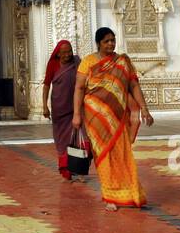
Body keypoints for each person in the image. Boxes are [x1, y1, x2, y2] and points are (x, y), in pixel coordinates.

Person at [73, 26, 154, 210]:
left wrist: (144, 109)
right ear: (98, 43)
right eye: (106, 41)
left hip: (118, 116)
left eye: (112, 40)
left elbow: (134, 86)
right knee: (103, 155)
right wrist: (77, 114)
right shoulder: (88, 61)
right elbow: (79, 88)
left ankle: (131, 193)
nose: (110, 44)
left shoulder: (123, 62)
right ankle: (109, 195)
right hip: (95, 117)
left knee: (123, 154)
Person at [41, 39, 81, 181]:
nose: (67, 55)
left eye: (69, 51)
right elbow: (46, 85)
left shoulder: (77, 62)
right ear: (58, 54)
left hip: (75, 106)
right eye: (64, 52)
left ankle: (77, 168)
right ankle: (65, 168)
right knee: (62, 140)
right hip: (59, 108)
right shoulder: (52, 64)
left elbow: (85, 80)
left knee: (76, 139)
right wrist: (44, 105)